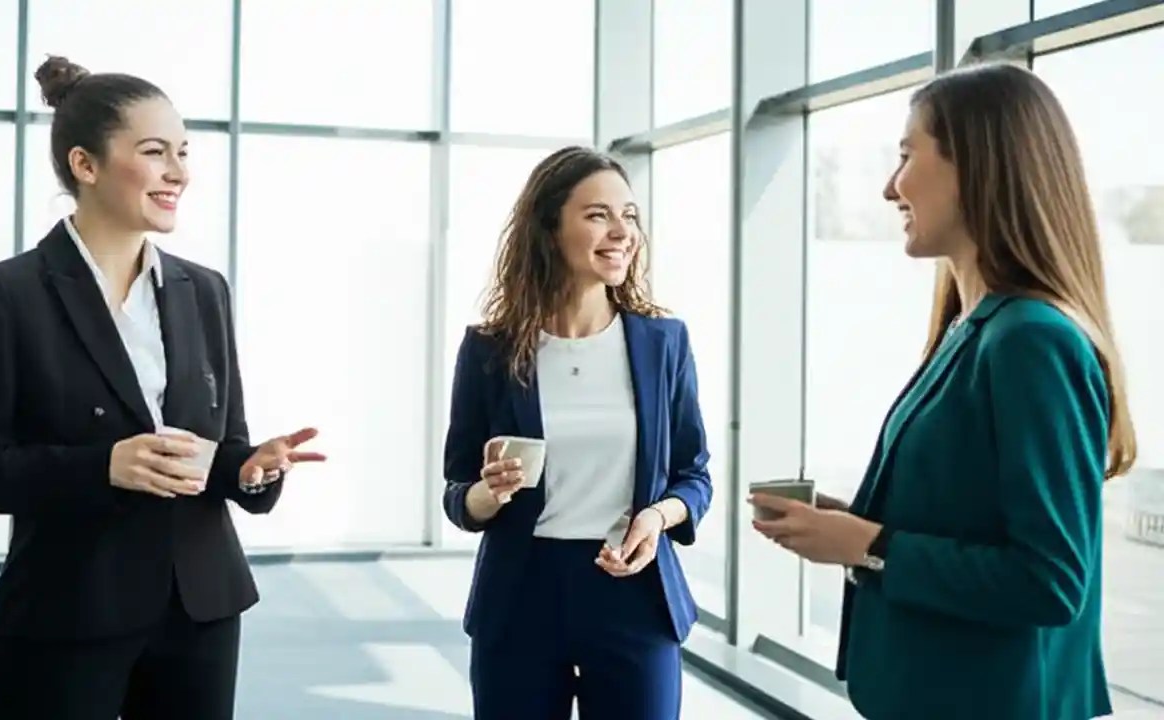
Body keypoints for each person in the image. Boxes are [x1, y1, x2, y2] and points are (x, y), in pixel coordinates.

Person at [0, 55, 325, 720]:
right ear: (85, 165)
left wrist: (251, 468)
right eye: (154, 152)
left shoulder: (205, 291)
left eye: (183, 152)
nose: (179, 172)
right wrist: (102, 467)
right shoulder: (10, 293)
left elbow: (220, 450)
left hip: (199, 610)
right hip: (66, 611)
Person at [749, 63, 1136, 720]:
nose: (888, 188)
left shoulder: (1029, 340)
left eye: (905, 155)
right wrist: (855, 524)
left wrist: (870, 546)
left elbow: (1050, 581)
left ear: (976, 166)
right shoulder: (974, 330)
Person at [443, 146, 713, 719]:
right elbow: (457, 491)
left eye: (630, 215)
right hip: (521, 594)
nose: (622, 232)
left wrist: (657, 517)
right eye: (598, 215)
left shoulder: (663, 343)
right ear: (549, 228)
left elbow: (694, 475)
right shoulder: (491, 350)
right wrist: (486, 495)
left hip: (633, 591)